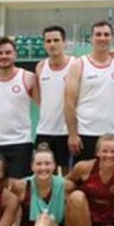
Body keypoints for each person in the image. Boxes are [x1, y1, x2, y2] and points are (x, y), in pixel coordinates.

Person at [64, 20, 114, 163]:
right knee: (83, 182)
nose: (102, 38)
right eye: (98, 34)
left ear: (112, 38)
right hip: (85, 134)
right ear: (91, 38)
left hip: (112, 134)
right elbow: (69, 103)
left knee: (113, 183)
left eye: (106, 34)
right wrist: (73, 134)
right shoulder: (79, 64)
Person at [0, 37, 38, 181]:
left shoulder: (28, 78)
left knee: (18, 188)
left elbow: (44, 103)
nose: (4, 56)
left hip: (21, 142)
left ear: (15, 54)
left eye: (8, 52)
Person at [34, 25, 74, 172]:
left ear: (64, 42)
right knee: (44, 173)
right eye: (48, 41)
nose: (52, 44)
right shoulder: (40, 67)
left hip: (67, 131)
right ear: (44, 44)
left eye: (56, 40)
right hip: (45, 130)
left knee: (67, 175)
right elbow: (40, 98)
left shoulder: (75, 65)